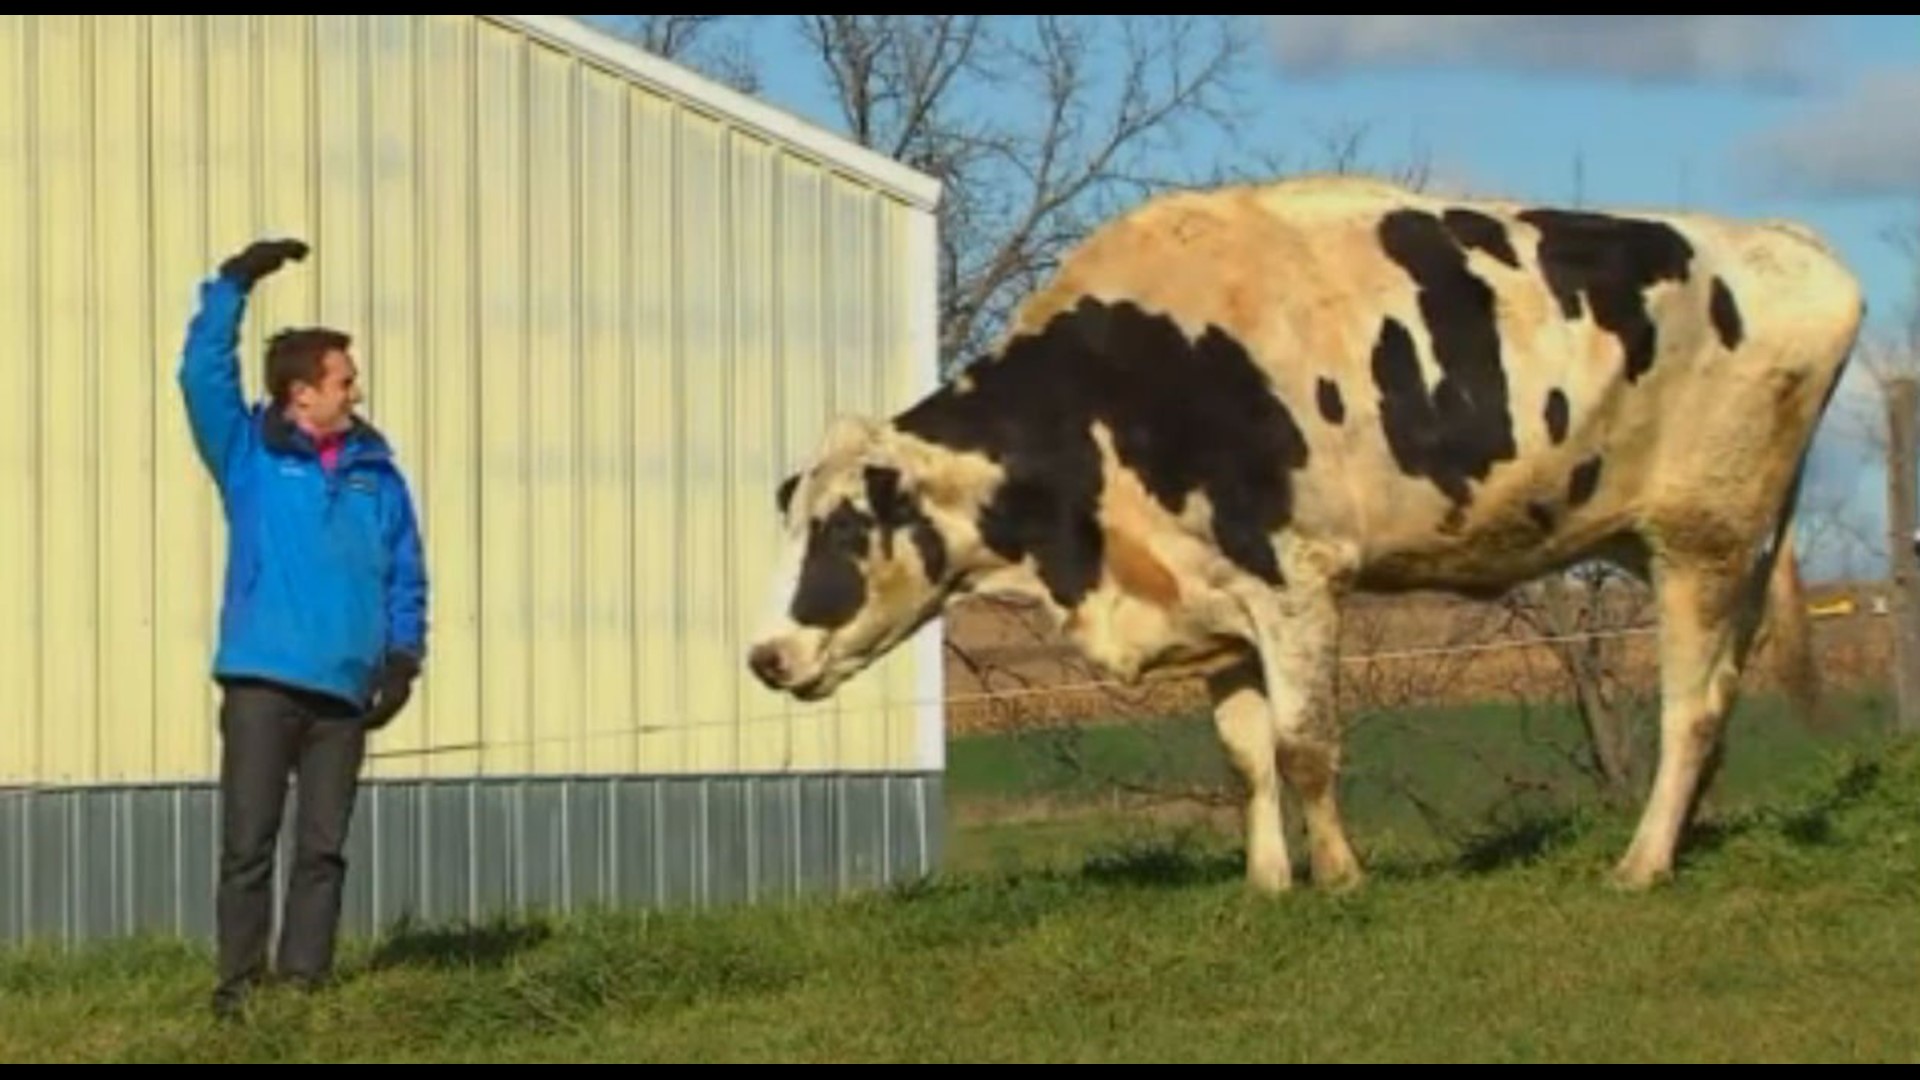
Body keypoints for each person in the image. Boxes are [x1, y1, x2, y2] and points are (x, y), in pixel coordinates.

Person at [176, 237, 429, 1018]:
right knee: (249, 844)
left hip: (344, 691)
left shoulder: (376, 471)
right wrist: (233, 286)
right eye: (343, 380)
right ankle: (237, 988)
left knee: (322, 849)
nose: (356, 391)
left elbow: (406, 569)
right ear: (300, 395)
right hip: (260, 680)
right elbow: (200, 376)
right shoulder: (248, 453)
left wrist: (404, 655)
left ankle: (302, 985)